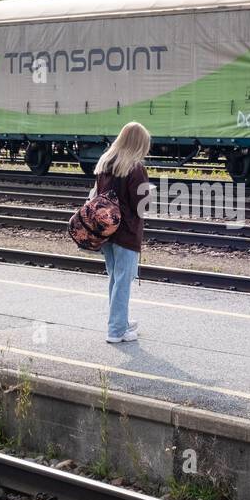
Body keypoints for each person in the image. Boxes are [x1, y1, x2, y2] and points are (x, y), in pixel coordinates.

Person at [93, 122, 151, 343]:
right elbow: (141, 206)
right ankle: (117, 331)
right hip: (126, 233)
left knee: (115, 280)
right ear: (138, 144)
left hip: (107, 232)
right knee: (122, 282)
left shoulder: (105, 163)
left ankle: (121, 321)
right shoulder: (135, 168)